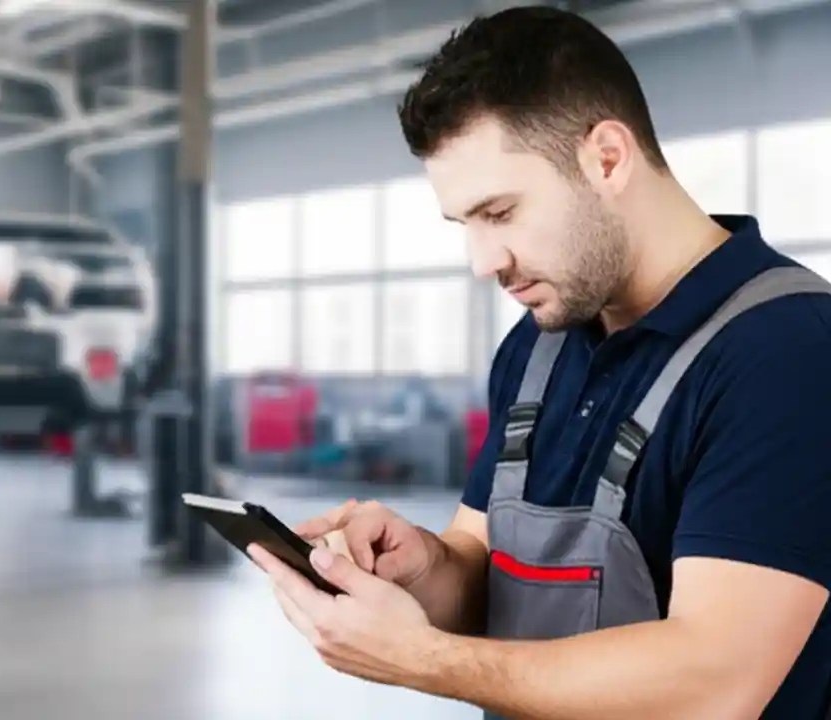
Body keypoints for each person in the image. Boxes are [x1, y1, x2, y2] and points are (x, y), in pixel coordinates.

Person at [247, 6, 831, 718]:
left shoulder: (787, 351)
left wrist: (421, 659)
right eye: (465, 225)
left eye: (500, 213)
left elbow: (715, 686)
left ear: (607, 158)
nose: (482, 261)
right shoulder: (537, 345)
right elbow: (480, 564)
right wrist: (424, 567)